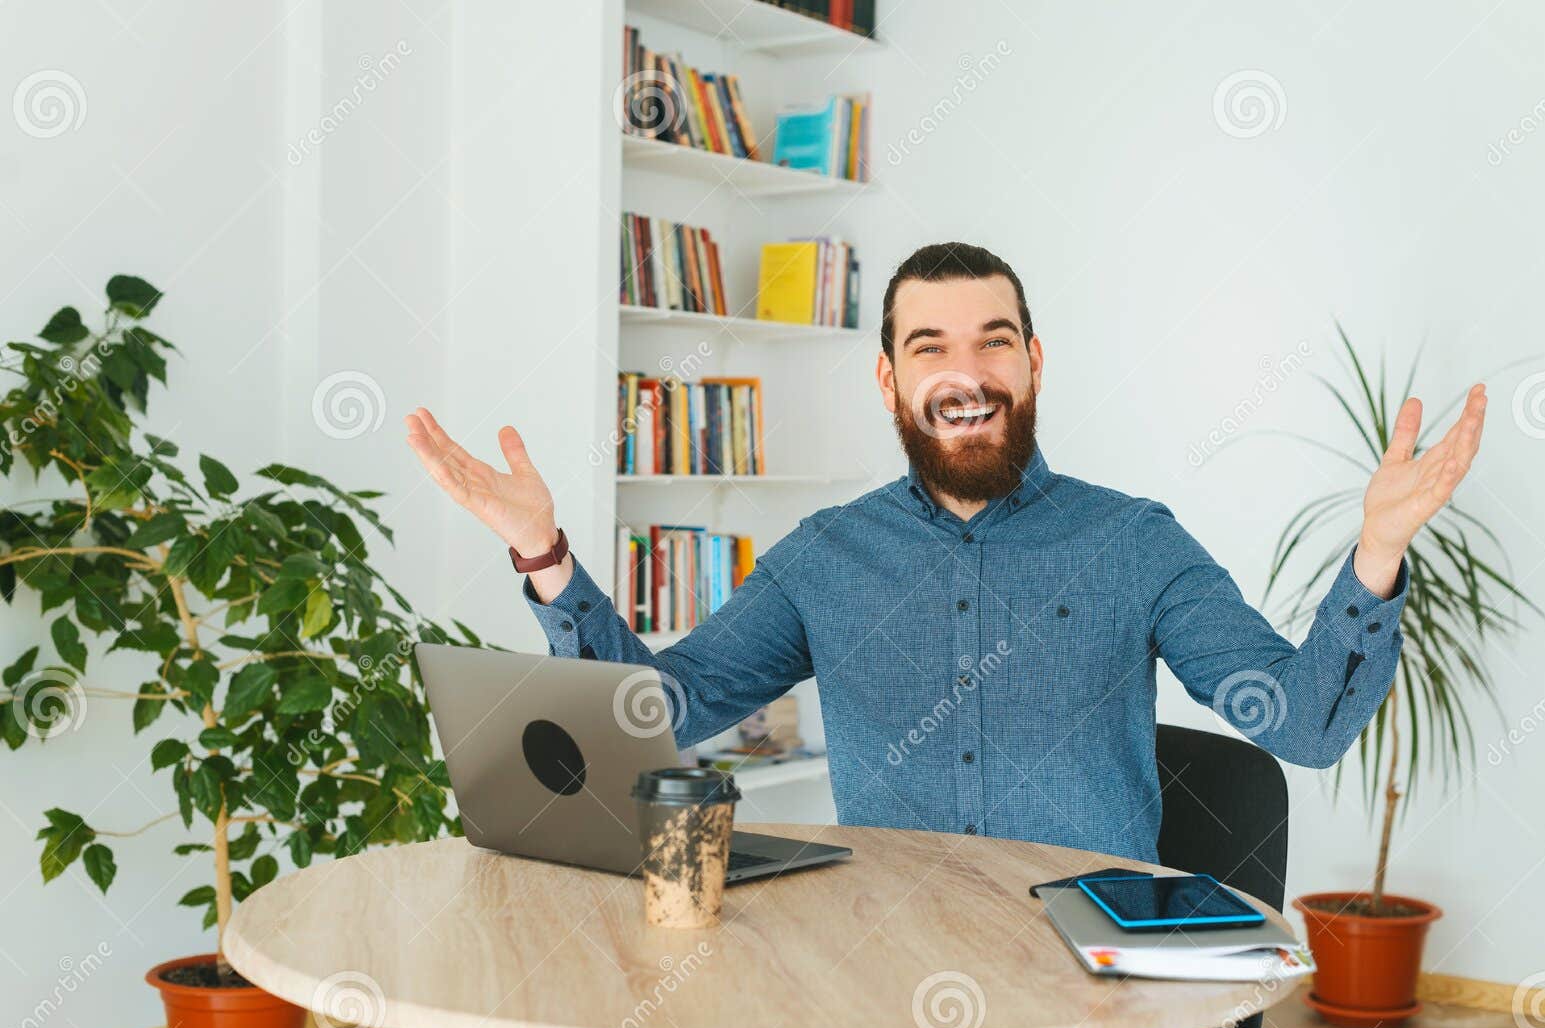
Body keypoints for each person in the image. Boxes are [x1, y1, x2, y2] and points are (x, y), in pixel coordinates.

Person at [404, 241, 1486, 868]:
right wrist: (543, 553)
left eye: (992, 341)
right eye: (929, 347)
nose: (963, 372)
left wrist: (1379, 547)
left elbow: (1297, 724)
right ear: (887, 381)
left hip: (1088, 970)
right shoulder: (825, 556)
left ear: (1033, 363)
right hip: (887, 953)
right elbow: (665, 707)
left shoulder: (1134, 542)